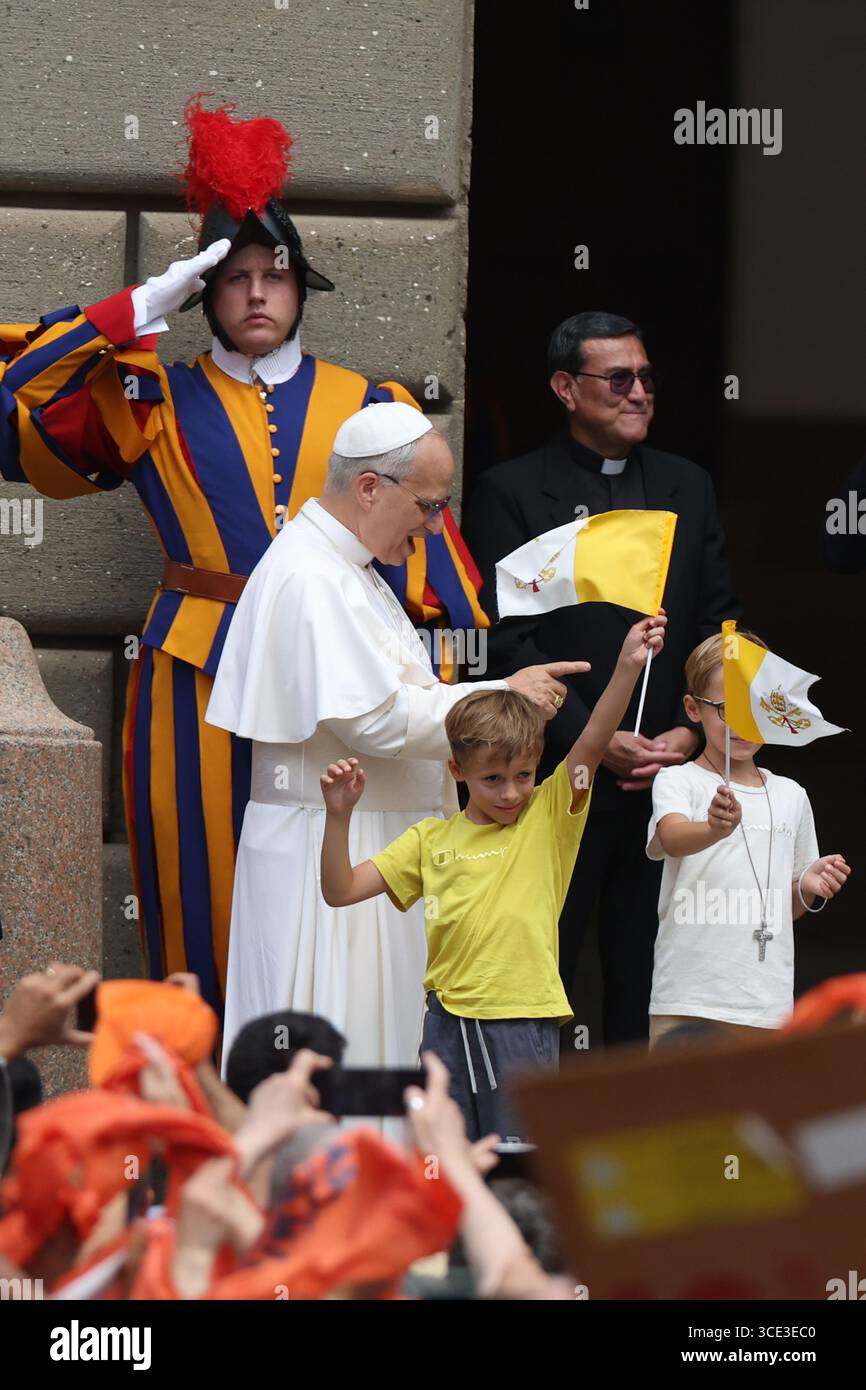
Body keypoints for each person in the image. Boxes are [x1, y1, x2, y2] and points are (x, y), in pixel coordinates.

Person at [0, 97, 486, 1018]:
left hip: (343, 675)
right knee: (193, 892)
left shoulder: (370, 402)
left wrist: (462, 720)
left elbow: (437, 571)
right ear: (205, 294)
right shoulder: (149, 396)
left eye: (276, 274)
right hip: (191, 665)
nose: (257, 293)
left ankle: (323, 1107)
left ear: (304, 287)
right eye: (232, 278)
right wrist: (143, 304)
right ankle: (208, 1111)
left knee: (337, 894)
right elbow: (17, 398)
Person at [207, 399, 582, 1072]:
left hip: (372, 837)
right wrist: (502, 695)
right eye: (431, 506)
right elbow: (373, 719)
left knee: (381, 1040)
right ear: (371, 487)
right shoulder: (309, 575)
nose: (437, 529)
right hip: (329, 848)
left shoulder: (347, 568)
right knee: (342, 1044)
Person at [461, 310, 741, 1044]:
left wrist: (692, 728)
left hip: (668, 779)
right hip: (556, 775)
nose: (640, 392)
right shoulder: (509, 491)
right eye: (619, 378)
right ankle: (530, 1140)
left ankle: (629, 1138)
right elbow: (505, 641)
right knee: (542, 959)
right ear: (565, 388)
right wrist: (596, 736)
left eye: (647, 377)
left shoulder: (689, 485)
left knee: (649, 971)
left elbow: (720, 624)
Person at [319, 612, 667, 1139]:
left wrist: (627, 667)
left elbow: (594, 741)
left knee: (518, 1160)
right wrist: (338, 817)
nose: (510, 793)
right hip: (444, 1025)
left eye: (523, 775)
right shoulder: (427, 841)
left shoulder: (548, 816)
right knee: (446, 1162)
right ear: (457, 771)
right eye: (492, 779)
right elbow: (339, 890)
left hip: (521, 1020)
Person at [646, 631, 852, 1046]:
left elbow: (787, 907)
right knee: (685, 1109)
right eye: (727, 709)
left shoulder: (792, 795)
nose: (743, 722)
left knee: (760, 1111)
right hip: (690, 999)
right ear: (693, 708)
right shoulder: (679, 780)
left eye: (756, 707)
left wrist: (808, 888)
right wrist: (712, 828)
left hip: (767, 1004)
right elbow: (670, 837)